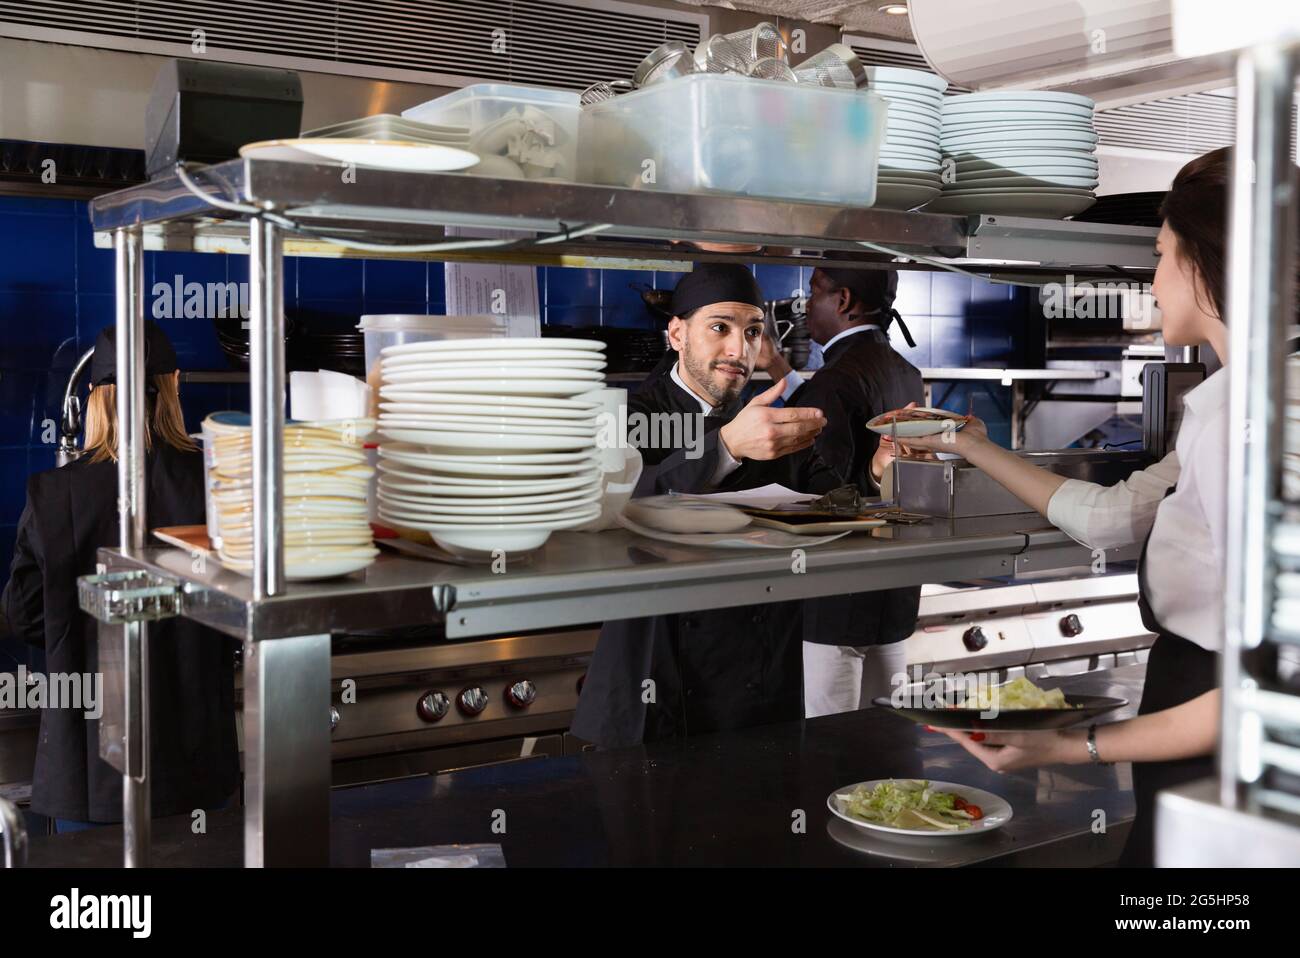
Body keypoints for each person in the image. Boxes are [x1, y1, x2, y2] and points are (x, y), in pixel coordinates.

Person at [897, 147, 1284, 867]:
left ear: (1206, 264)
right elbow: (1112, 517)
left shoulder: (1251, 423)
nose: (1154, 277)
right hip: (1195, 708)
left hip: (1226, 727)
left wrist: (1075, 746)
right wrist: (970, 444)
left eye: (1162, 253)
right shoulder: (1236, 404)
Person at [571, 264, 840, 748]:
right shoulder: (629, 414)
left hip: (760, 684)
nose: (740, 350)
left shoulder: (767, 419)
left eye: (753, 332)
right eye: (720, 328)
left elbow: (835, 497)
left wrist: (884, 469)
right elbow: (615, 506)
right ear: (676, 333)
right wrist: (724, 449)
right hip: (659, 681)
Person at [2, 321, 240, 831]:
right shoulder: (218, 485)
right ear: (175, 386)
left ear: (94, 399)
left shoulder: (50, 493)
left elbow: (23, 616)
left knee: (109, 911)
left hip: (90, 769)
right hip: (197, 761)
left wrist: (77, 630)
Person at [774, 267, 927, 717]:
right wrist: (777, 367)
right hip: (894, 596)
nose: (805, 306)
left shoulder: (834, 380)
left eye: (813, 292)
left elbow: (826, 493)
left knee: (832, 749)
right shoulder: (906, 372)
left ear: (842, 300)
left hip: (834, 603)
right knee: (889, 740)